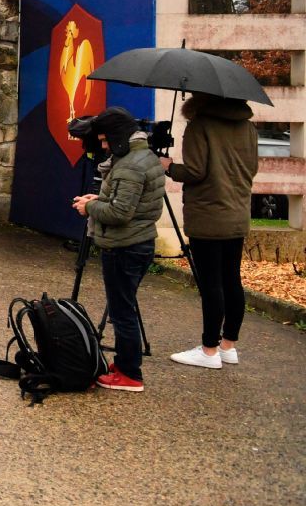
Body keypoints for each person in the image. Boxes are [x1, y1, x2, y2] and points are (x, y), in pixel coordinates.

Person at [159, 93, 258, 369]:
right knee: (231, 280)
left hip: (207, 215)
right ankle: (228, 346)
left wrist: (168, 167)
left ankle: (208, 350)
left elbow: (194, 171)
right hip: (237, 213)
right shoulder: (248, 126)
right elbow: (253, 168)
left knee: (211, 283)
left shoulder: (200, 125)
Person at [72, 107, 165, 392]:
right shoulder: (143, 157)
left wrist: (89, 206)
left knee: (122, 312)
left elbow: (120, 213)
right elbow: (125, 202)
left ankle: (129, 373)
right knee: (124, 308)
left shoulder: (128, 166)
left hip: (125, 246)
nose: (102, 146)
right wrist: (98, 198)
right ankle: (126, 363)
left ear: (118, 137)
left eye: (104, 140)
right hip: (138, 243)